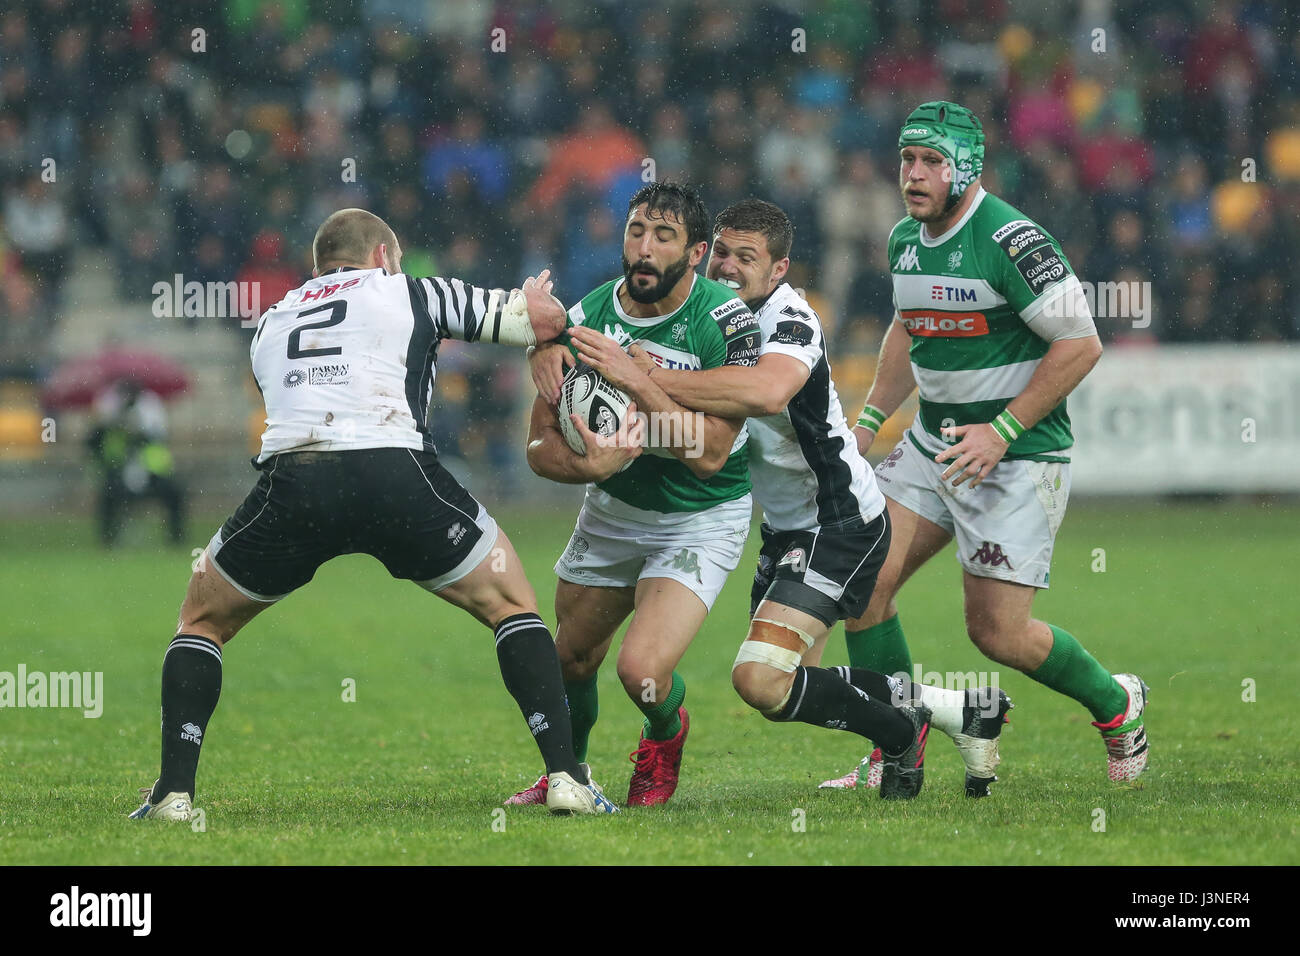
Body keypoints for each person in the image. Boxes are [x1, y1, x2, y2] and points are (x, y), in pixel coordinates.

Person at [129, 208, 617, 821]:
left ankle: (173, 793)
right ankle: (567, 777)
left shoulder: (272, 320)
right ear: (385, 257)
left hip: (297, 480)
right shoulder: (409, 289)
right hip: (395, 474)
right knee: (512, 605)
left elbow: (286, 391)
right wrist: (539, 311)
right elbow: (542, 319)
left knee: (200, 621)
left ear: (318, 268)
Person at [567, 199, 1005, 800]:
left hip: (838, 520)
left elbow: (770, 392)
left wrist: (644, 377)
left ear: (778, 270)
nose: (728, 268)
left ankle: (900, 735)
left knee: (759, 680)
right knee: (788, 684)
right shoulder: (707, 317)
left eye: (747, 258)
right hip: (786, 527)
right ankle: (956, 709)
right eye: (721, 252)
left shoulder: (787, 316)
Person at [832, 102, 1148, 787]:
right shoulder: (903, 240)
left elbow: (1081, 343)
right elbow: (905, 328)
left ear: (966, 167)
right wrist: (869, 422)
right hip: (930, 444)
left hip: (1019, 454)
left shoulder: (1013, 240)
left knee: (998, 633)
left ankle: (1117, 704)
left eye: (930, 163)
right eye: (906, 160)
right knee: (863, 588)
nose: (912, 175)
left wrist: (1002, 430)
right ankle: (897, 746)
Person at [512, 181, 760, 808]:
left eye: (664, 236)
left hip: (699, 518)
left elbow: (708, 454)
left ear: (697, 252)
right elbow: (538, 449)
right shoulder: (587, 317)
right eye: (636, 232)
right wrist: (587, 466)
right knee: (567, 658)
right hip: (615, 511)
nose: (644, 249)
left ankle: (664, 732)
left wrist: (636, 377)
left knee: (642, 673)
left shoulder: (727, 323)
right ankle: (569, 772)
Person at [88, 379, 186, 548]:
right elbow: (94, 442)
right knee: (107, 496)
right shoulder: (110, 410)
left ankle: (176, 538)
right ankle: (108, 539)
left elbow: (155, 437)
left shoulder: (150, 409)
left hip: (152, 472)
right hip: (119, 470)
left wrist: (137, 430)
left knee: (175, 494)